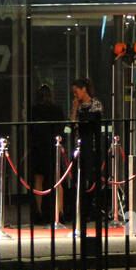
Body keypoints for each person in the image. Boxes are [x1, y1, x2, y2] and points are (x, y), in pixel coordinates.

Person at [29, 84, 67, 225]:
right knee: (57, 180)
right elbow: (62, 127)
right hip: (53, 146)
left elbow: (32, 129)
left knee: (38, 179)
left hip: (39, 147)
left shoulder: (34, 109)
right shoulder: (56, 109)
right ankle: (60, 212)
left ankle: (39, 211)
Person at [69, 78, 105, 226]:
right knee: (79, 177)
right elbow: (72, 125)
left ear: (84, 89)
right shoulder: (77, 106)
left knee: (92, 177)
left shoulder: (95, 104)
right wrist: (74, 109)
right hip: (79, 146)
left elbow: (94, 122)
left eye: (76, 91)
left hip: (92, 146)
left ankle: (93, 209)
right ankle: (80, 209)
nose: (75, 94)